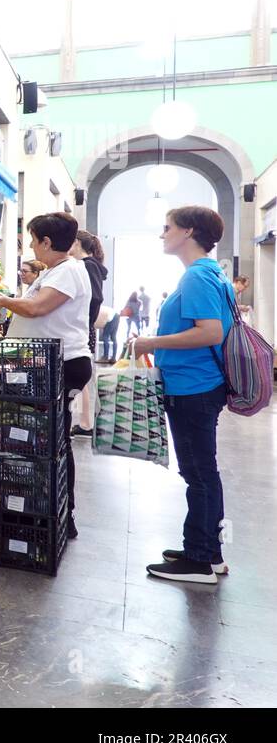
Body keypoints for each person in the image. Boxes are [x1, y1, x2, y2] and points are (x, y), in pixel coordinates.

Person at [134, 206, 234, 585]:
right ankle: (208, 551)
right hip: (197, 385)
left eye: (168, 227)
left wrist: (150, 341)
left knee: (199, 474)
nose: (163, 234)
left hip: (193, 387)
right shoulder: (209, 274)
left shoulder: (197, 277)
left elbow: (210, 332)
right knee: (202, 471)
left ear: (188, 231)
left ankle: (198, 560)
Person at [0, 212, 91, 540]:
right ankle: (44, 507)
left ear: (47, 242)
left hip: (63, 363)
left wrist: (3, 300)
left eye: (33, 239)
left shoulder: (69, 271)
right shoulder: (58, 271)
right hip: (48, 364)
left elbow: (36, 309)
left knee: (56, 441)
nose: (31, 246)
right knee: (48, 438)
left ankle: (63, 512)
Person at [69, 230, 107, 436]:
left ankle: (85, 423)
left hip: (83, 329)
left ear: (76, 243)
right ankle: (85, 422)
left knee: (82, 377)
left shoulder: (87, 265)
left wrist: (84, 322)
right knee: (83, 378)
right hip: (84, 328)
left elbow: (95, 298)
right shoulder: (88, 265)